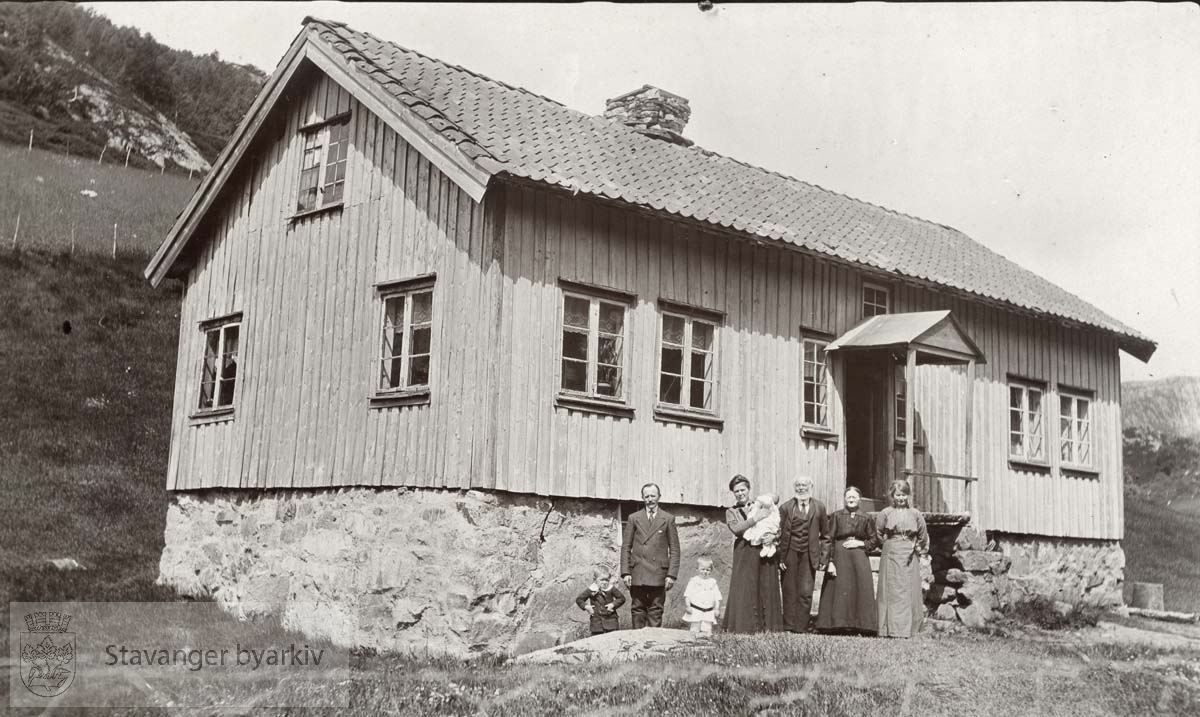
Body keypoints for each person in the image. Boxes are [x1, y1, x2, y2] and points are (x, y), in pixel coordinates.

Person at [721, 475, 784, 633]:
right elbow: (736, 529)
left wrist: (774, 536)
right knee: (745, 586)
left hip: (764, 547)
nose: (740, 493)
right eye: (736, 491)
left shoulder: (762, 505)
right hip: (744, 550)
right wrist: (754, 519)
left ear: (749, 490)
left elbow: (776, 524)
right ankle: (745, 626)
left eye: (743, 490)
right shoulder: (731, 511)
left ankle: (768, 626)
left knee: (766, 584)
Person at [814, 486, 879, 634]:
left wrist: (861, 543)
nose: (851, 499)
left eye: (854, 497)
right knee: (838, 587)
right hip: (839, 556)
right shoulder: (836, 516)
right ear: (844, 499)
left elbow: (875, 539)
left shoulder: (867, 518)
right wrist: (829, 561)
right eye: (848, 497)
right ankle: (834, 624)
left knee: (860, 586)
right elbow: (828, 538)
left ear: (859, 499)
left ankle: (862, 625)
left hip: (859, 556)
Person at [620, 483, 681, 628]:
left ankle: (654, 645)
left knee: (656, 610)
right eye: (646, 496)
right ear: (642, 498)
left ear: (659, 497)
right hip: (638, 572)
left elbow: (675, 550)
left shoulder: (668, 519)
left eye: (653, 495)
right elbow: (626, 547)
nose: (650, 499)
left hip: (658, 573)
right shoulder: (634, 518)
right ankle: (637, 643)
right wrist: (625, 572)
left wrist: (671, 575)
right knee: (637, 610)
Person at [875, 478, 929, 638]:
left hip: (909, 555)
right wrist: (888, 544)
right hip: (891, 552)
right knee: (890, 589)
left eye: (904, 495)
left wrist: (917, 547)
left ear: (908, 496)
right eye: (898, 495)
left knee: (907, 589)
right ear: (892, 496)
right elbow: (878, 533)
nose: (901, 498)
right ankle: (887, 629)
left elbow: (923, 535)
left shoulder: (915, 514)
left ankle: (908, 629)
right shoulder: (885, 513)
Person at [777, 475, 831, 633]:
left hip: (809, 554)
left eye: (804, 485)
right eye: (798, 485)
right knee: (789, 590)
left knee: (806, 591)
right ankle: (789, 625)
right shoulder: (786, 507)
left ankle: (801, 627)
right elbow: (779, 533)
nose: (801, 488)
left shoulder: (819, 507)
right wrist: (780, 557)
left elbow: (826, 535)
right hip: (790, 553)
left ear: (810, 488)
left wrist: (824, 557)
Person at [575, 566, 627, 635]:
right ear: (595, 580)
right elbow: (579, 599)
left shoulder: (611, 589)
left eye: (607, 580)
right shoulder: (591, 589)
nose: (605, 582)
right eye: (602, 580)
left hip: (611, 622)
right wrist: (587, 607)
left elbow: (621, 598)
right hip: (596, 623)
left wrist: (613, 604)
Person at [682, 557, 722, 634]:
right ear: (697, 569)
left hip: (708, 611)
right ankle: (692, 644)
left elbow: (717, 597)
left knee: (707, 630)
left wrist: (716, 608)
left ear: (711, 571)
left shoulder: (712, 582)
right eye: (702, 569)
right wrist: (688, 606)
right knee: (694, 630)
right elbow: (687, 595)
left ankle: (705, 644)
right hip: (696, 610)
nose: (705, 572)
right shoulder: (694, 581)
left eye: (708, 570)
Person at [741, 493, 781, 557]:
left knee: (765, 534)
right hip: (750, 547)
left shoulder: (772, 509)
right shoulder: (756, 505)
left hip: (767, 527)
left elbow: (778, 524)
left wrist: (774, 536)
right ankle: (768, 548)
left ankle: (770, 547)